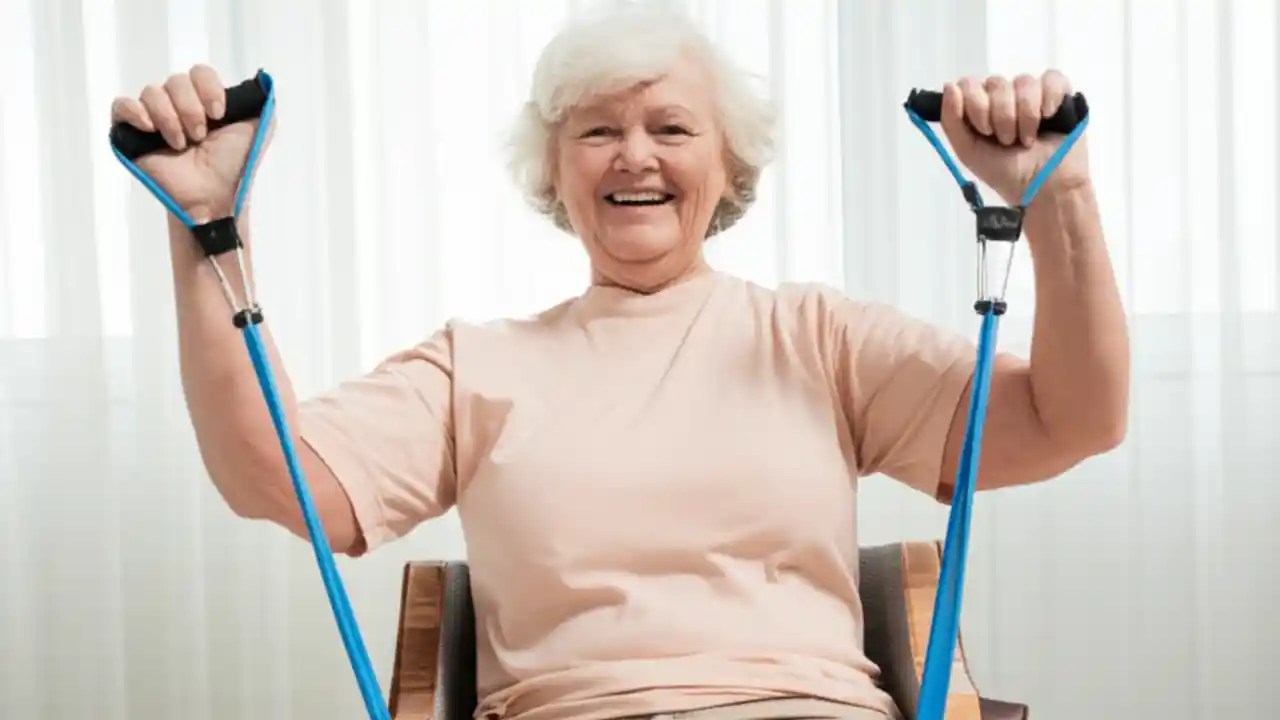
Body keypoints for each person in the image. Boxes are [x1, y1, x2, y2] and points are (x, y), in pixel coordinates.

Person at [109, 4, 1129, 719]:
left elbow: (1068, 421)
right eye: (596, 129)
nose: (633, 154)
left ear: (725, 165)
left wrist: (1060, 200)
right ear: (553, 169)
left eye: (670, 127)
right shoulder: (479, 366)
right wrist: (206, 225)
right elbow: (273, 479)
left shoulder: (818, 339)